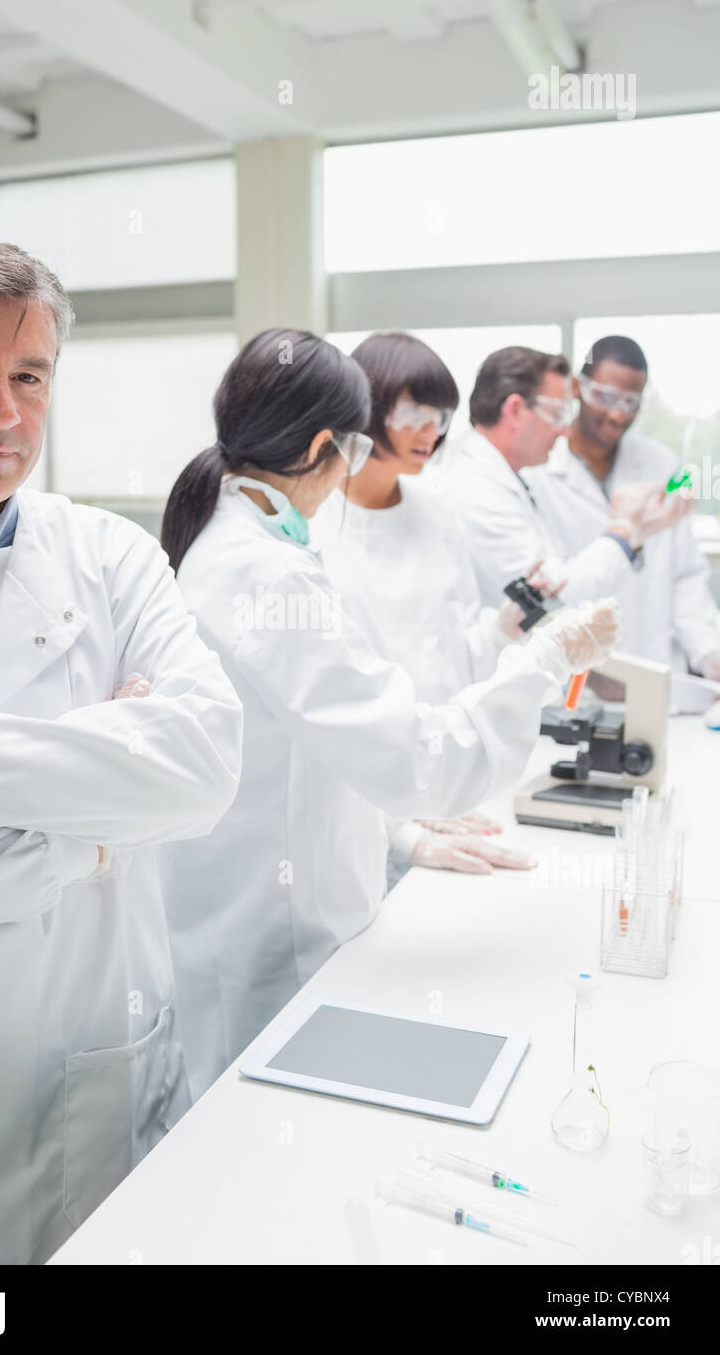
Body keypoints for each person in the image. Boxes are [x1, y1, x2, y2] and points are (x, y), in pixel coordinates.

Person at [0, 232, 243, 1265]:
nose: (3, 411)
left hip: (80, 1074)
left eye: (29, 374)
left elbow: (202, 765)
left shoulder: (111, 556)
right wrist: (90, 835)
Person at [157, 328, 619, 1102]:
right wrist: (546, 659)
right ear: (322, 447)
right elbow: (416, 758)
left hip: (272, 910)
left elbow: (322, 749)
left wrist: (397, 831)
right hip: (275, 938)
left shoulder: (244, 546)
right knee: (262, 1141)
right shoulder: (266, 575)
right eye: (357, 449)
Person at [313, 331, 549, 878]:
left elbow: (452, 650)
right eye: (415, 414)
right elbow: (325, 706)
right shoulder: (318, 524)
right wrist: (400, 822)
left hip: (439, 784)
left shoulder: (437, 514)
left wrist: (500, 630)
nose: (430, 434)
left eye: (441, 418)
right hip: (356, 809)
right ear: (366, 410)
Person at [435, 346, 691, 612]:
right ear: (515, 411)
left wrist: (637, 530)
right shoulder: (474, 489)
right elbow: (549, 598)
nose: (564, 429)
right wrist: (623, 532)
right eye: (557, 413)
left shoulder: (505, 479)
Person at [523, 335, 720, 676]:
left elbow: (684, 576)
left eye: (631, 402)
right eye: (605, 396)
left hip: (648, 664)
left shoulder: (660, 465)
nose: (617, 413)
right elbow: (545, 586)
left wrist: (710, 653)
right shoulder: (537, 471)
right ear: (576, 388)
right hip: (571, 678)